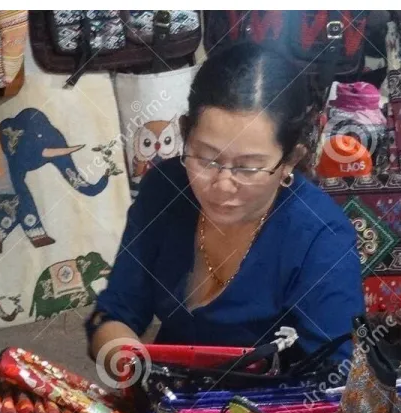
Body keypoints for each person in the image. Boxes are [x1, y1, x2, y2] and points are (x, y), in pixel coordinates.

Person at [87, 43, 364, 369]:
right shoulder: (165, 189)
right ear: (185, 134)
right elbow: (115, 310)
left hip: (270, 412)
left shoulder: (320, 236)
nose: (221, 185)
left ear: (291, 160)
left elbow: (336, 376)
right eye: (205, 158)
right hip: (169, 398)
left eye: (248, 167)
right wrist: (125, 360)